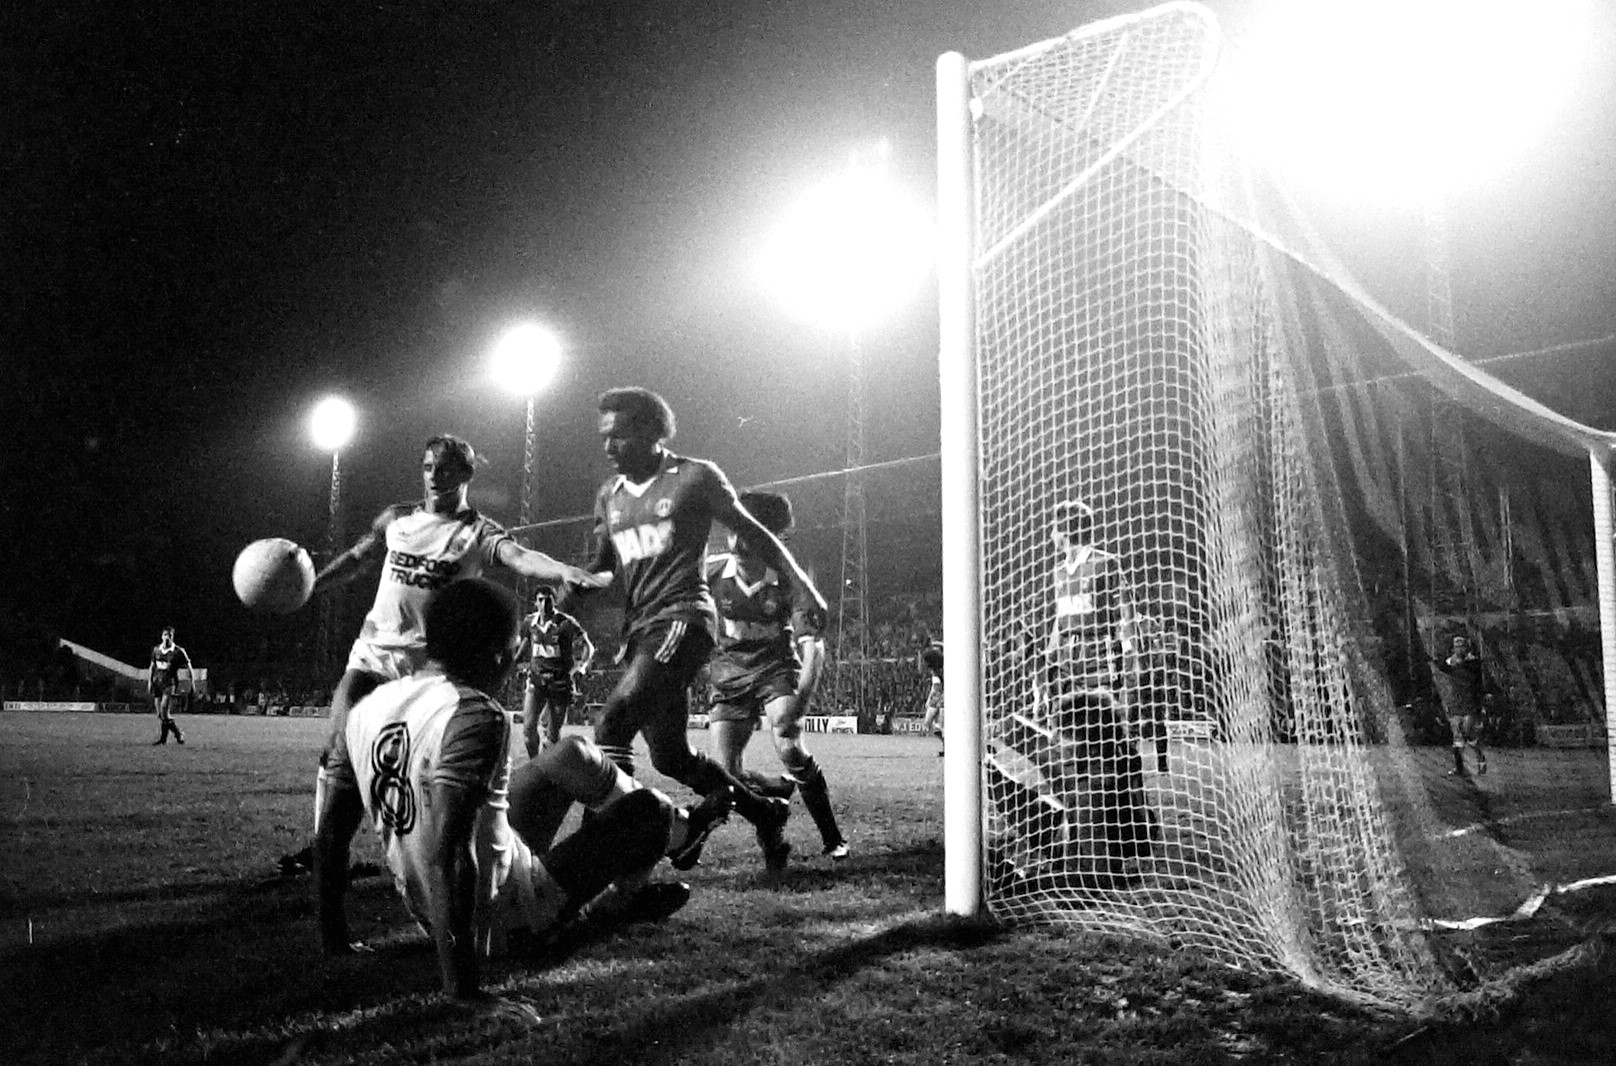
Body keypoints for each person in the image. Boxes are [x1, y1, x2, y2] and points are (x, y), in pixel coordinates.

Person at [314, 578, 725, 1005]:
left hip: (435, 905)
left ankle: (680, 835)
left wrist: (335, 943)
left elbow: (329, 835)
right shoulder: (477, 714)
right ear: (501, 653)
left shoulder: (365, 710)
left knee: (568, 753)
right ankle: (615, 906)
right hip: (499, 919)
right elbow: (450, 852)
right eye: (517, 645)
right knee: (651, 810)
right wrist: (464, 992)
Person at [561, 387, 830, 871]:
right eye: (604, 438)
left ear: (650, 431)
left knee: (612, 723)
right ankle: (764, 812)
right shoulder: (610, 495)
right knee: (671, 758)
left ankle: (600, 862)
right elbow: (601, 567)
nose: (608, 448)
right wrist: (565, 597)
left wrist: (803, 586)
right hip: (641, 629)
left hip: (684, 618)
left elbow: (754, 534)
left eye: (618, 436)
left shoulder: (694, 477)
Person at [309, 434, 608, 833]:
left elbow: (519, 557)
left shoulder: (478, 532)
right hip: (373, 656)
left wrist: (564, 571)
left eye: (445, 468)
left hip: (431, 671)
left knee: (419, 770)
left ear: (466, 473)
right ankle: (325, 849)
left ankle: (433, 855)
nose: (434, 476)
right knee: (338, 752)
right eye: (428, 467)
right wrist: (313, 585)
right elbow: (357, 558)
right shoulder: (397, 518)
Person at [706, 491, 848, 866]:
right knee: (726, 772)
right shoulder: (711, 573)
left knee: (788, 745)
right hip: (729, 671)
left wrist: (798, 707)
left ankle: (833, 838)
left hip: (775, 668)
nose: (736, 542)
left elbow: (813, 649)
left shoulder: (788, 582)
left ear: (767, 538)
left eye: (746, 534)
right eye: (732, 532)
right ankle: (775, 793)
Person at [518, 586, 595, 757]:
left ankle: (546, 771)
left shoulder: (566, 622)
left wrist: (580, 667)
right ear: (535, 602)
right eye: (540, 600)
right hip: (536, 680)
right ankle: (534, 764)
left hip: (560, 683)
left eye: (548, 600)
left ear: (554, 601)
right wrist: (511, 663)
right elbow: (522, 647)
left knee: (552, 736)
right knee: (528, 732)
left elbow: (588, 646)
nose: (544, 604)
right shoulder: (529, 622)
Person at [1430, 632, 1491, 777]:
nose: (1459, 649)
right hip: (1455, 702)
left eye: (1462, 646)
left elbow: (1476, 680)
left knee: (1468, 732)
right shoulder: (1449, 664)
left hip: (1469, 703)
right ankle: (1459, 767)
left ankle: (1480, 759)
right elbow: (1442, 676)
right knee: (1457, 736)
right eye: (1457, 646)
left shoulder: (1472, 663)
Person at [148, 626, 194, 745]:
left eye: (170, 635)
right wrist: (149, 681)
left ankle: (163, 740)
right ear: (162, 636)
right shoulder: (156, 650)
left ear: (173, 637)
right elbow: (152, 666)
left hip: (170, 683)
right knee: (161, 715)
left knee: (164, 709)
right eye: (165, 635)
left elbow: (189, 667)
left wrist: (192, 683)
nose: (167, 638)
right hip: (157, 683)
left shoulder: (178, 651)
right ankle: (178, 734)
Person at [918, 642, 944, 754]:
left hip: (942, 699)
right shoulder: (935, 672)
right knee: (929, 724)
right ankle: (945, 746)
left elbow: (938, 688)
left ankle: (946, 748)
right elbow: (934, 687)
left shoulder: (942, 671)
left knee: (939, 727)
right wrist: (929, 699)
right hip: (936, 698)